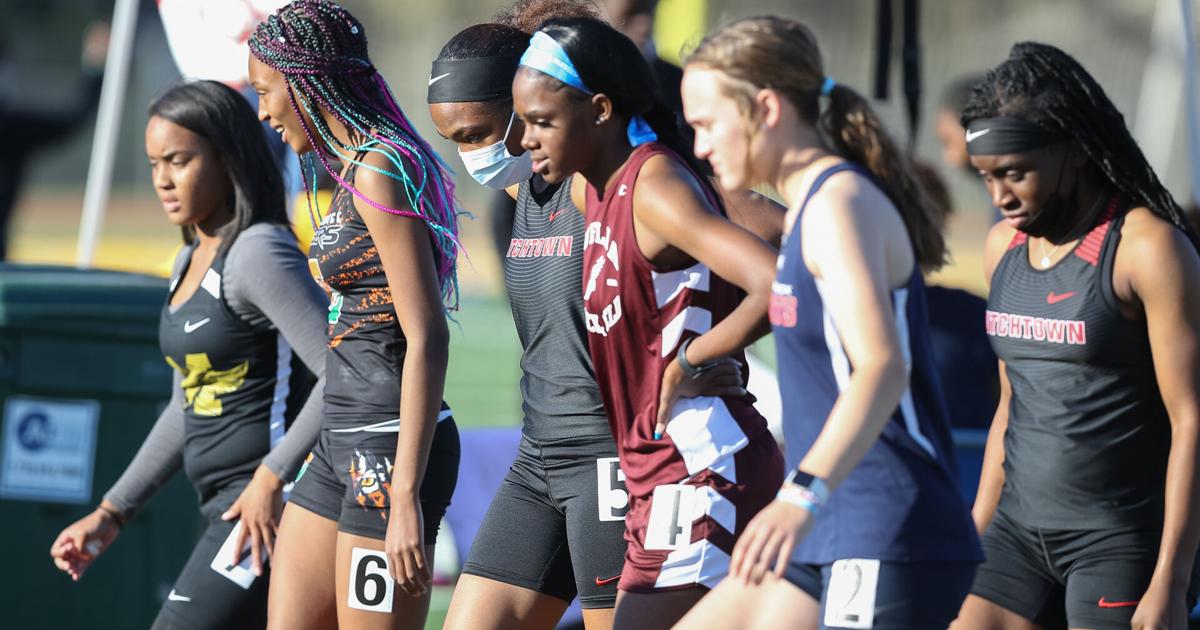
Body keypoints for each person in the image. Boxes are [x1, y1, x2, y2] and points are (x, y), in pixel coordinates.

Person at [673, 16, 983, 629]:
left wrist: (800, 495)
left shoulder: (840, 204)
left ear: (765, 107)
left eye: (707, 125)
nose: (700, 146)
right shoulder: (810, 209)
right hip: (824, 527)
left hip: (884, 528)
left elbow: (882, 365)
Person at [512, 17, 786, 628]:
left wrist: (693, 359)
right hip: (655, 476)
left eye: (541, 121)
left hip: (702, 468)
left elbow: (778, 283)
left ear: (600, 110)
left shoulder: (654, 187)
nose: (524, 140)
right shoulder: (597, 189)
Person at [48, 79, 328, 630]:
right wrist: (112, 512)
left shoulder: (259, 252)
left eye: (178, 160)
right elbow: (187, 402)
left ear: (227, 158)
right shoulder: (186, 264)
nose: (162, 180)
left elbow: (343, 374)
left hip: (272, 507)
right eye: (154, 163)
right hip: (224, 505)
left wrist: (271, 479)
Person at [950, 42, 1200, 630]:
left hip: (1116, 546)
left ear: (1077, 152)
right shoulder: (1001, 249)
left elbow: (1192, 418)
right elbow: (1009, 409)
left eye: (1015, 173)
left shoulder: (1147, 249)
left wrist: (1173, 578)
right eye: (986, 178)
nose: (1000, 197)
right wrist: (973, 537)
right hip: (1014, 534)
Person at [247, 2, 463, 628]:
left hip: (388, 447)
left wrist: (403, 497)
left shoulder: (378, 168)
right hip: (336, 438)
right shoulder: (347, 170)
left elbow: (427, 335)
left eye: (266, 92)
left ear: (304, 82)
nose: (262, 111)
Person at [0, 21, 107, 260]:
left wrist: (95, 69)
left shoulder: (12, 125)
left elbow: (71, 119)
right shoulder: (11, 124)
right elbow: (72, 119)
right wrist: (95, 68)